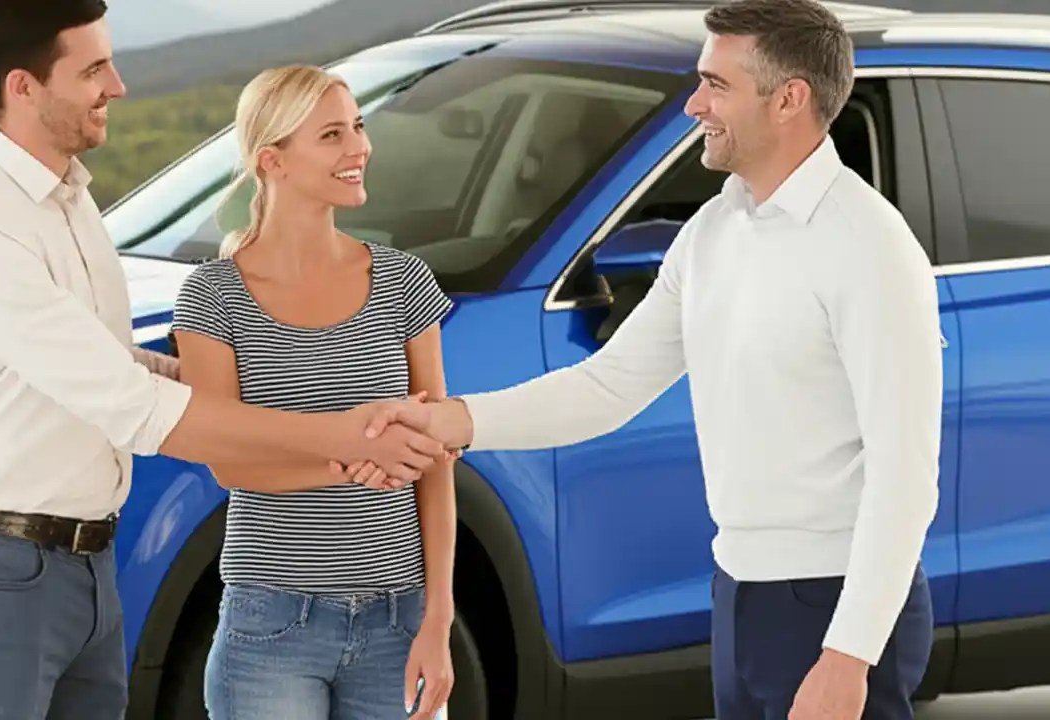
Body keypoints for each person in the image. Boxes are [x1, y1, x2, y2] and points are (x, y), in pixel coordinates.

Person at [363, 0, 941, 718]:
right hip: (742, 590)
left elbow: (905, 477)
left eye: (716, 85)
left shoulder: (870, 248)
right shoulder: (717, 230)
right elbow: (610, 385)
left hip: (832, 602)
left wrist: (847, 656)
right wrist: (450, 421)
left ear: (790, 99)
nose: (694, 103)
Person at [0, 4, 444, 719]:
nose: (117, 86)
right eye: (93, 69)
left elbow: (99, 362)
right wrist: (343, 437)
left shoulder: (66, 201)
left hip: (84, 570)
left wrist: (197, 376)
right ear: (23, 87)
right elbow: (133, 410)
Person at [170, 65, 456, 720]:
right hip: (270, 625)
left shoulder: (404, 282)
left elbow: (436, 460)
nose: (360, 148)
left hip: (400, 618)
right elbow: (226, 458)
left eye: (358, 126)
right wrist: (353, 458)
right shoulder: (213, 296)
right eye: (333, 134)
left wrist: (438, 620)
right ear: (274, 161)